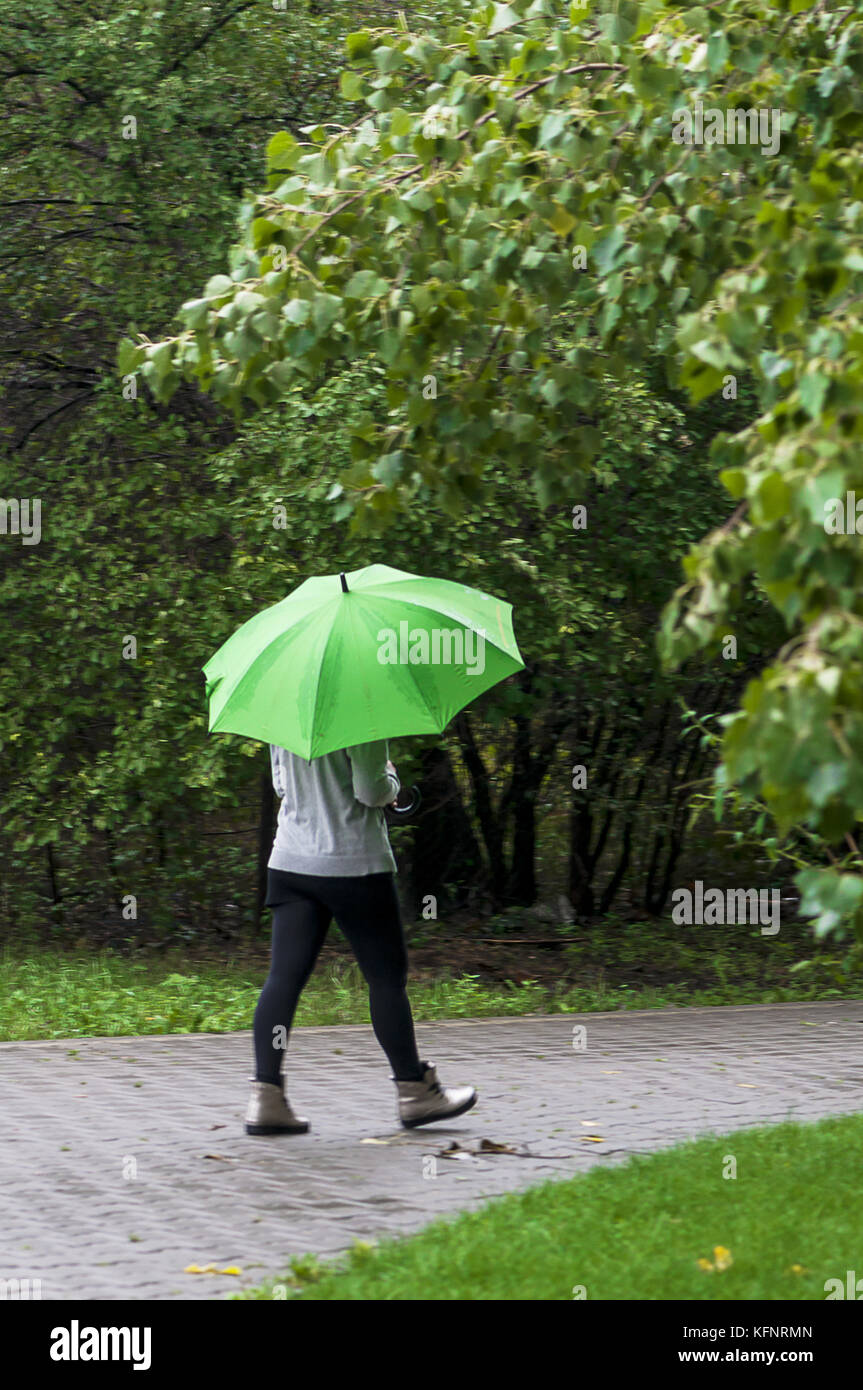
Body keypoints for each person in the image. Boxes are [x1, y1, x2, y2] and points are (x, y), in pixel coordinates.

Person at [245, 739, 477, 1135]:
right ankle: (414, 1093)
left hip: (291, 860)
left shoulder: (287, 709)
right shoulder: (362, 706)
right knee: (385, 979)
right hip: (355, 862)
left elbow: (281, 785)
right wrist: (390, 779)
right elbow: (370, 791)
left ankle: (266, 1098)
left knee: (283, 978)